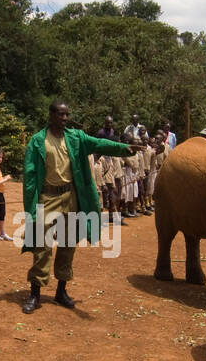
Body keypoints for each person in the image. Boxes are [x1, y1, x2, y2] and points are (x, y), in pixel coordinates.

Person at [20, 101, 134, 313]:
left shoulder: (76, 137)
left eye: (67, 115)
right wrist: (31, 206)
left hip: (69, 197)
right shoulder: (37, 141)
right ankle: (34, 294)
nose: (65, 118)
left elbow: (99, 143)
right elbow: (29, 175)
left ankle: (61, 291)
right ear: (51, 115)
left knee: (68, 244)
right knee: (41, 247)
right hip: (47, 197)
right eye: (61, 115)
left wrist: (124, 149)